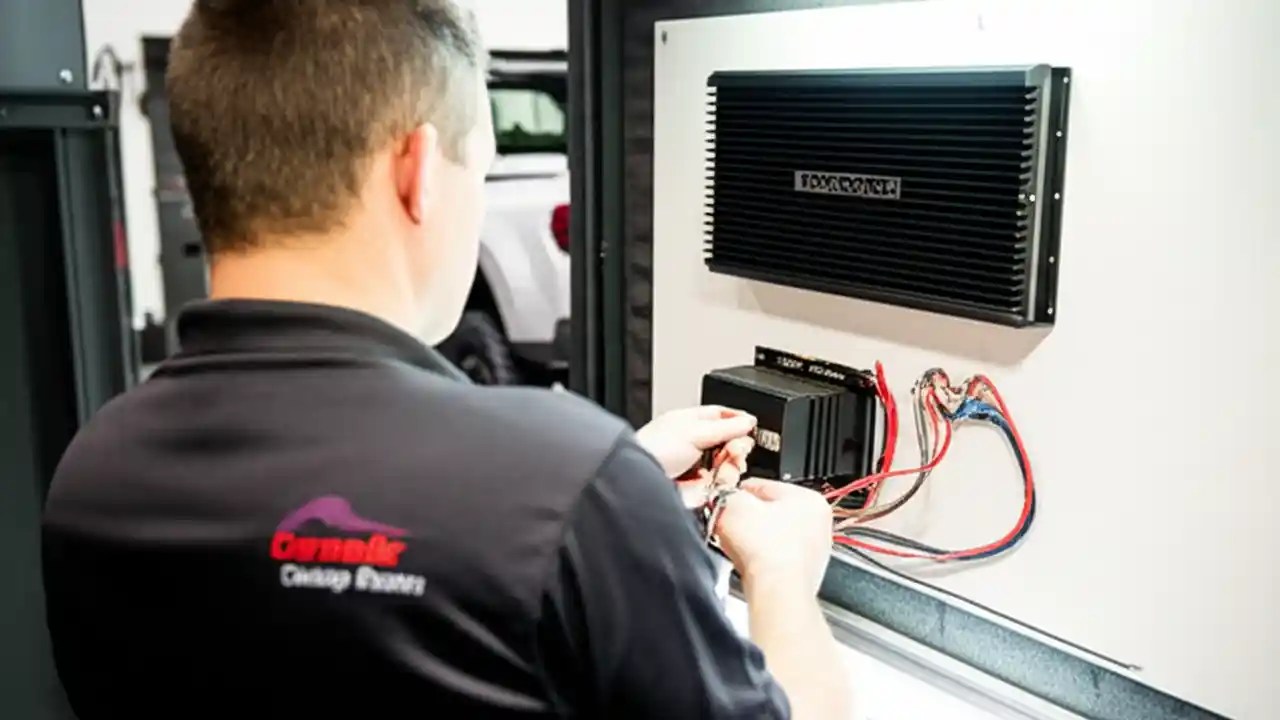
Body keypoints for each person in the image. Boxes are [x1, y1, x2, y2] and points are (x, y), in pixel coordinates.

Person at [40, 1, 851, 718]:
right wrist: (780, 578)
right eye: (483, 165)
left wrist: (615, 484)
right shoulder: (563, 483)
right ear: (418, 171)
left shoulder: (95, 471)